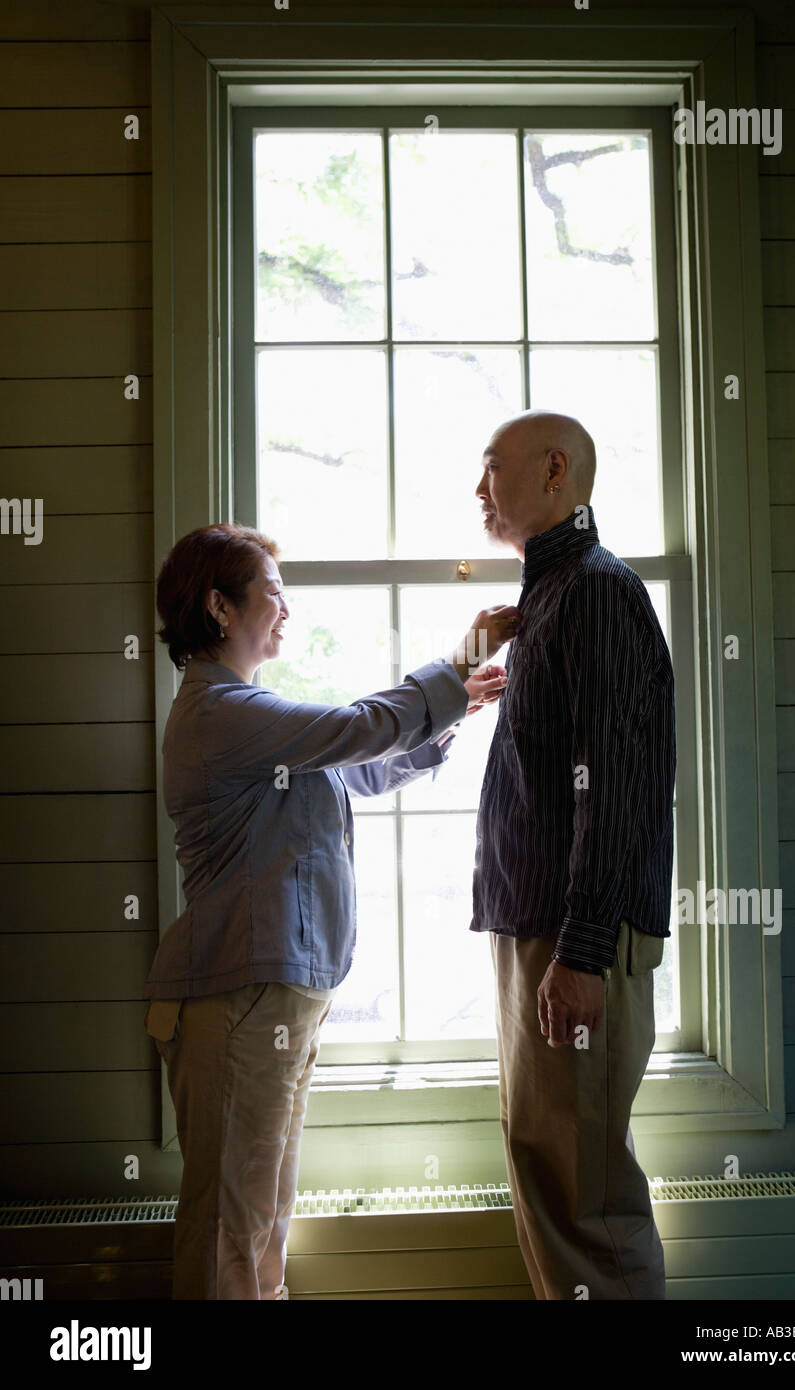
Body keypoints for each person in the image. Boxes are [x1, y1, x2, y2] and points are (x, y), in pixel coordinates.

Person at [143, 521, 517, 1299]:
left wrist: (451, 709)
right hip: (236, 998)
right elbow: (355, 730)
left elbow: (353, 773)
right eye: (272, 594)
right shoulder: (219, 713)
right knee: (232, 1229)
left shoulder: (248, 712)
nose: (286, 609)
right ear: (219, 606)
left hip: (272, 997)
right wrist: (459, 660)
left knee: (261, 1219)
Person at [470, 409, 677, 1300]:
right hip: (542, 932)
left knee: (585, 1203)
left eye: (492, 469)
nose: (478, 490)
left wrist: (583, 948)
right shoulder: (552, 598)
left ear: (555, 471)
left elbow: (620, 781)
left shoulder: (594, 590)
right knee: (552, 1180)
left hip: (572, 939)